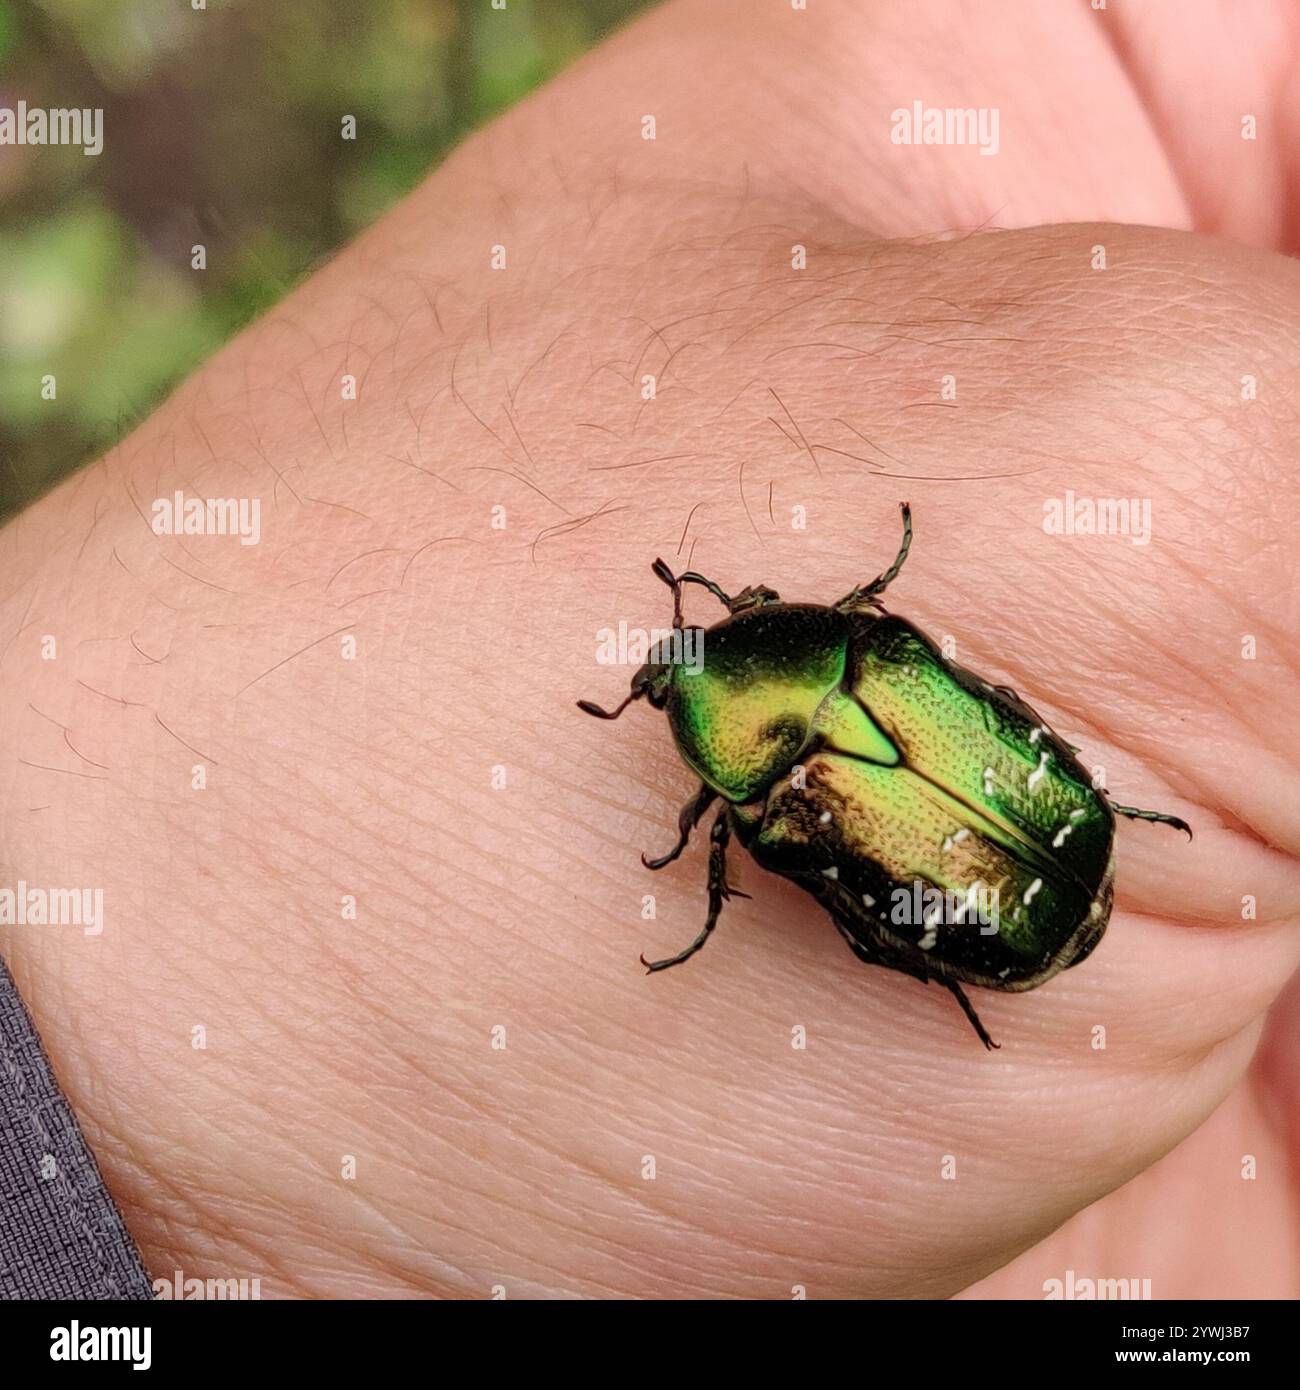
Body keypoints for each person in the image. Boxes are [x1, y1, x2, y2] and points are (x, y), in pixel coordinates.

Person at [1, 0, 1298, 1298]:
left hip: (1035, 876)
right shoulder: (841, 690)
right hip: (1026, 894)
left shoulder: (774, 792)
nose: (688, 638)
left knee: (857, 890)